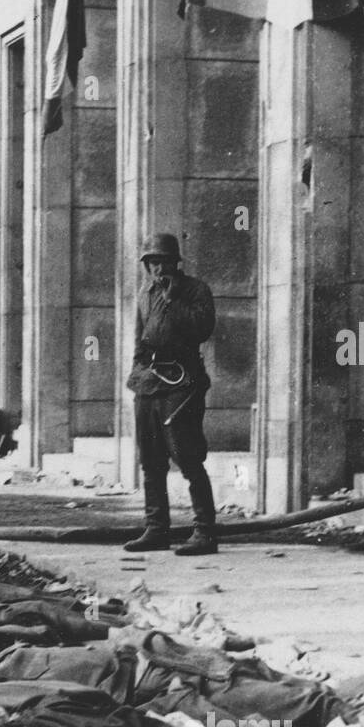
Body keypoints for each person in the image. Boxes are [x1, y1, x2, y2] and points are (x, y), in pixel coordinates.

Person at [124, 233, 218, 557]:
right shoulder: (144, 293)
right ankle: (156, 529)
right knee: (151, 460)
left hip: (182, 382)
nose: (158, 268)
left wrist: (172, 299)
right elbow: (140, 337)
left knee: (188, 457)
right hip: (149, 381)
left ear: (175, 263)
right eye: (152, 262)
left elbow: (202, 329)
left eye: (163, 261)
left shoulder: (195, 290)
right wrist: (137, 372)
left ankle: (205, 531)